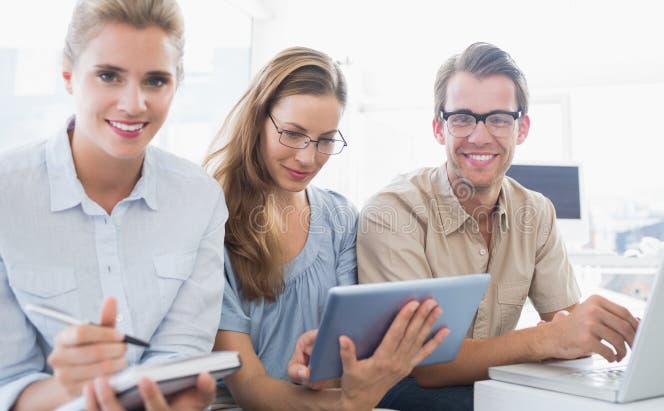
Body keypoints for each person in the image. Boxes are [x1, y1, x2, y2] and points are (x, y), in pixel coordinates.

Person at [357, 42, 640, 410]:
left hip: (484, 384)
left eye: (499, 119)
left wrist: (596, 327)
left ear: (521, 129)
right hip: (403, 393)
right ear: (439, 128)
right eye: (462, 118)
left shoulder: (536, 212)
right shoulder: (392, 212)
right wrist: (546, 340)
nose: (479, 136)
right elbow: (426, 364)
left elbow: (568, 329)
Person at [0, 1, 227, 409]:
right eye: (108, 76)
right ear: (68, 75)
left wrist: (182, 397)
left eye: (155, 81)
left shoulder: (199, 199)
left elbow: (181, 354)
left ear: (177, 83)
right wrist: (73, 387)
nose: (134, 103)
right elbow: (7, 384)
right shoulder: (7, 195)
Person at [207, 46, 449, 410]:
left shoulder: (340, 217)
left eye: (325, 140)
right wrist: (347, 403)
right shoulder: (213, 220)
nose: (308, 157)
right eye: (292, 134)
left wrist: (336, 372)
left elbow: (344, 355)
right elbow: (249, 386)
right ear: (258, 120)